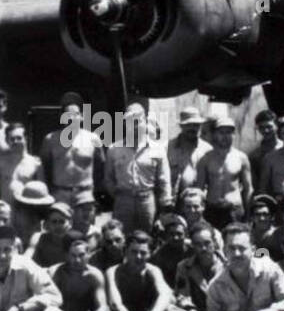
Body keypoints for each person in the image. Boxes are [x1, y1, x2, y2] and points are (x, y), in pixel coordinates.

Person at [105, 102, 172, 233]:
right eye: (130, 122)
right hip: (123, 201)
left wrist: (164, 206)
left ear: (145, 122)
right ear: (125, 124)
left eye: (138, 121)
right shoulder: (114, 149)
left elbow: (164, 180)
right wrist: (121, 196)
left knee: (147, 237)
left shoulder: (157, 149)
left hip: (146, 200)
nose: (134, 126)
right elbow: (108, 179)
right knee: (121, 236)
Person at [105, 230, 173, 311]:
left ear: (150, 254)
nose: (138, 257)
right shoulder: (113, 271)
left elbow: (164, 295)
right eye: (134, 252)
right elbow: (115, 303)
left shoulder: (153, 271)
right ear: (125, 251)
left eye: (143, 253)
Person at [51, 232, 117, 311]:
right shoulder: (56, 273)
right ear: (66, 255)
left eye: (81, 255)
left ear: (88, 254)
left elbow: (102, 306)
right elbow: (50, 306)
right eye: (73, 255)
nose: (77, 260)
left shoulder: (94, 275)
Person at [40, 92, 105, 208]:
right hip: (59, 193)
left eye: (75, 114)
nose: (71, 118)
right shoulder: (50, 140)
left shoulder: (93, 139)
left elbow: (101, 167)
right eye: (67, 114)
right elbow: (44, 168)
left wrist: (95, 192)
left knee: (85, 226)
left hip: (85, 193)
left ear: (82, 116)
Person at [0, 124, 46, 238]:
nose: (16, 141)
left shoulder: (36, 164)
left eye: (19, 138)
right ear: (7, 141)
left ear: (26, 139)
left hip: (28, 216)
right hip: (5, 216)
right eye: (12, 139)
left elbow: (42, 196)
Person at [169, 222, 222, 311]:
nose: (203, 248)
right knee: (170, 310)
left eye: (207, 243)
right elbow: (184, 301)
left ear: (214, 242)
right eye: (198, 244)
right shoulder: (184, 267)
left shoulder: (228, 265)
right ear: (192, 245)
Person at [197, 114, 252, 229]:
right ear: (215, 135)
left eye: (229, 132)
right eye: (221, 132)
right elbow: (199, 189)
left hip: (234, 209)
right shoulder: (206, 159)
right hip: (212, 209)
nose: (225, 136)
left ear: (234, 135)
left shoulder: (241, 157)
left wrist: (248, 214)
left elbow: (248, 189)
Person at [165, 107, 211, 202]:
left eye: (196, 125)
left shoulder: (207, 150)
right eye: (188, 125)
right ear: (181, 126)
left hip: (197, 203)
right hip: (172, 201)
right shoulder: (167, 148)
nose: (192, 128)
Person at [27, 202, 73, 269]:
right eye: (54, 221)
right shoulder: (39, 238)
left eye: (62, 221)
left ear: (70, 223)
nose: (58, 226)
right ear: (48, 224)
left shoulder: (75, 241)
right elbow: (27, 258)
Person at [150, 213, 191, 281]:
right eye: (171, 234)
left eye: (179, 234)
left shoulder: (192, 250)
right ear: (166, 235)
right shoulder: (159, 255)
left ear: (186, 234)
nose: (175, 237)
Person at [248, 109, 279, 184]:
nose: (266, 130)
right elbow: (254, 183)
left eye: (269, 126)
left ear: (276, 126)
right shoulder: (255, 156)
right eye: (261, 127)